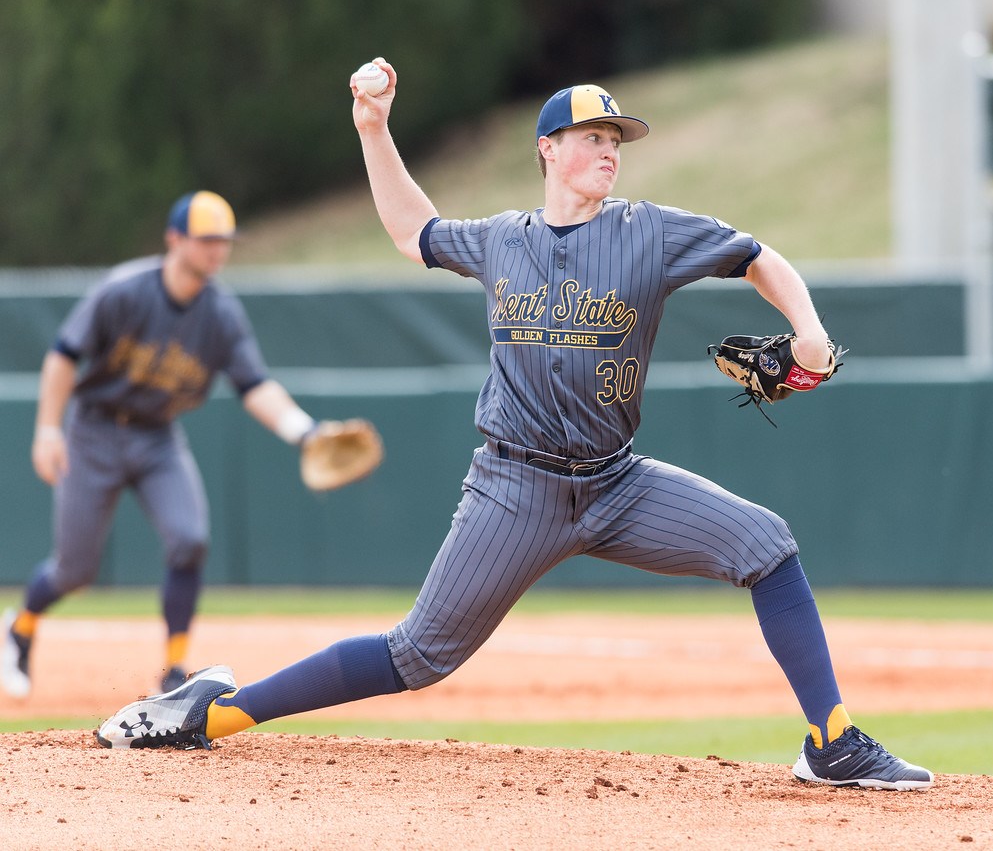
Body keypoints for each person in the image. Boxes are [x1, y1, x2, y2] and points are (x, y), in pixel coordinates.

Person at [95, 59, 934, 791]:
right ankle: (212, 713)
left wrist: (809, 331)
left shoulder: (650, 232)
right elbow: (412, 232)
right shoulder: (502, 240)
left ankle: (832, 743)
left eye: (616, 139)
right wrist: (373, 129)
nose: (609, 149)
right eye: (592, 136)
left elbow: (757, 257)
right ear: (548, 150)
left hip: (616, 483)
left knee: (767, 545)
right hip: (515, 488)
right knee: (416, 655)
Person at [1, 191, 328, 699]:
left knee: (189, 538)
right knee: (75, 568)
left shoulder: (221, 313)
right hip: (93, 431)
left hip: (157, 436)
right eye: (206, 239)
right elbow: (63, 354)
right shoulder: (126, 290)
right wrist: (47, 429)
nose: (217, 250)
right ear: (174, 239)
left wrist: (303, 430)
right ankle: (20, 628)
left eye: (224, 241)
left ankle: (175, 669)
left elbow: (254, 385)